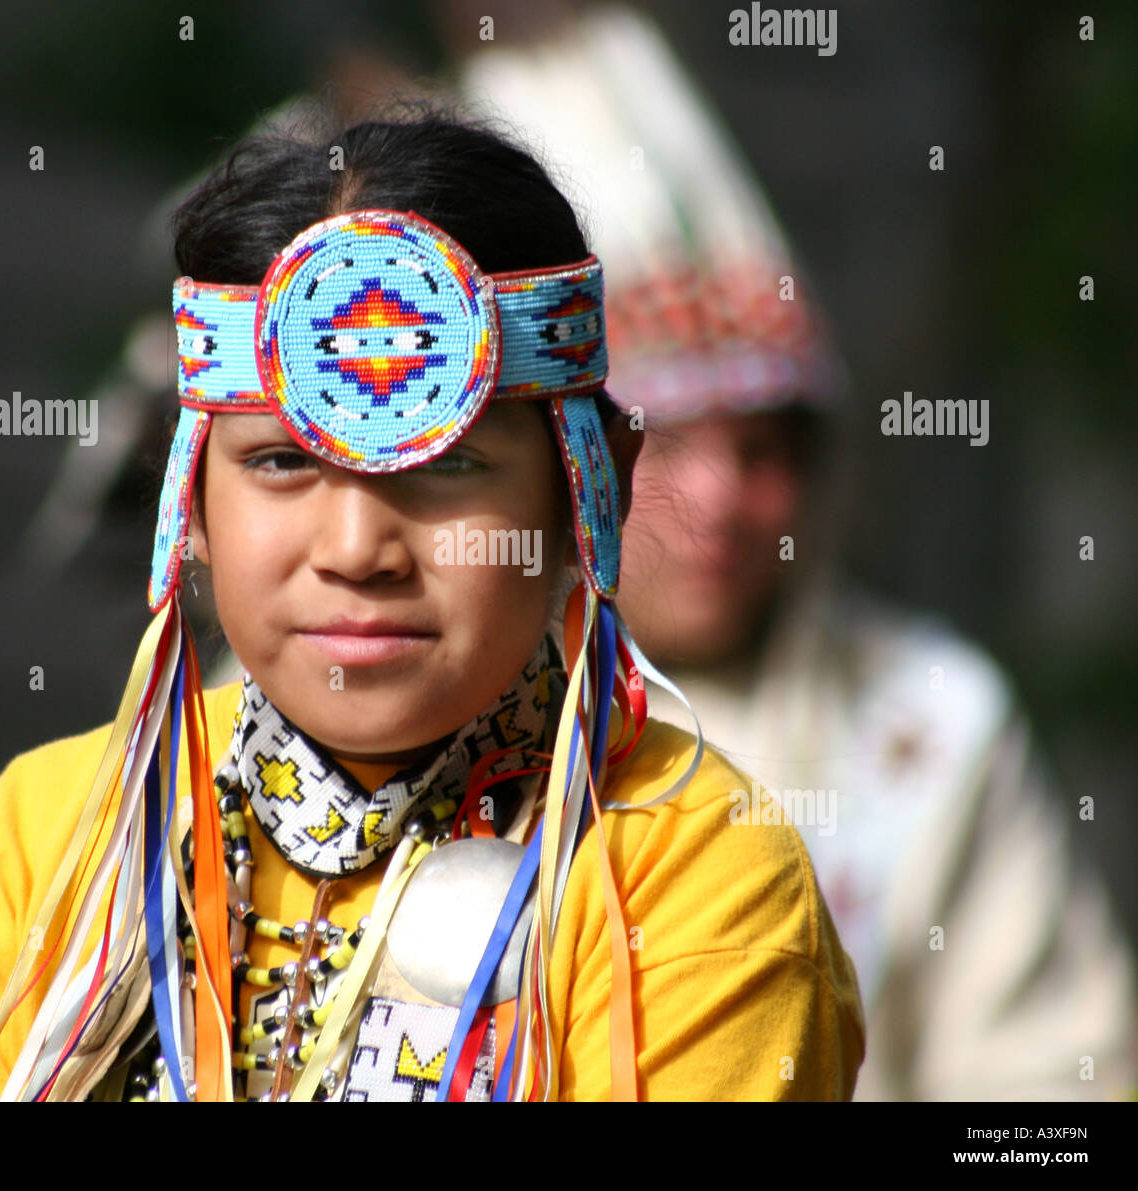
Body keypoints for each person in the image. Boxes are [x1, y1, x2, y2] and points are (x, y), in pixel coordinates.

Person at [0, 103, 865, 1103]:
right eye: (277, 463)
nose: (357, 550)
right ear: (191, 498)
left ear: (587, 488)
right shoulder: (41, 849)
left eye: (449, 465)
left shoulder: (691, 881)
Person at [457, 4, 1137, 1100]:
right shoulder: (407, 703)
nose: (723, 498)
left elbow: (1055, 1095)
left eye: (767, 446)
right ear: (573, 464)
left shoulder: (930, 724)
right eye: (668, 439)